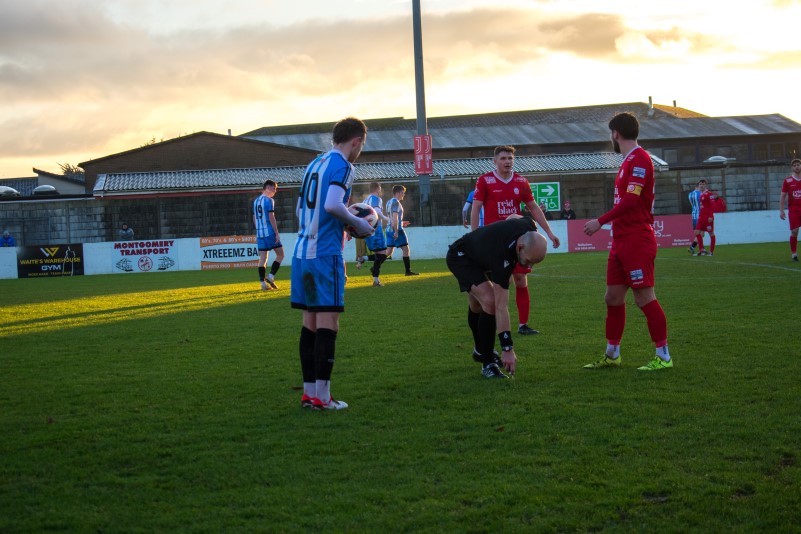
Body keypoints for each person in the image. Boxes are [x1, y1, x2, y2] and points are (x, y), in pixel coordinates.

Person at [291, 117, 374, 411]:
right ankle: (324, 398)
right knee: (328, 324)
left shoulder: (315, 164)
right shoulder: (344, 166)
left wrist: (342, 222)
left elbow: (303, 208)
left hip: (302, 253)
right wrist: (357, 225)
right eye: (361, 146)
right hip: (325, 256)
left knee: (310, 324)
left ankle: (309, 393)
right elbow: (331, 205)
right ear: (356, 141)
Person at [583, 112, 672, 371]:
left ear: (615, 133)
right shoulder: (628, 161)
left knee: (644, 298)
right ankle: (612, 354)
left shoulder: (641, 159)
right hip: (621, 240)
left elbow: (632, 201)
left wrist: (600, 221)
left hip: (636, 238)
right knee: (612, 297)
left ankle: (663, 356)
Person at [470, 145, 560, 336]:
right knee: (499, 283)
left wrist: (549, 233)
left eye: (510, 158)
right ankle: (491, 321)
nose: (507, 161)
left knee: (520, 279)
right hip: (494, 241)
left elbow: (534, 208)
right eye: (503, 158)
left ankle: (523, 325)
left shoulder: (521, 181)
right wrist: (475, 235)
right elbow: (476, 208)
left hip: (517, 240)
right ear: (495, 161)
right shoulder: (485, 180)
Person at [446, 215, 548, 379]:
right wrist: (507, 349)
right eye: (528, 261)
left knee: (476, 306)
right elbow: (501, 306)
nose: (529, 267)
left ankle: (480, 350)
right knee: (491, 302)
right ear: (520, 246)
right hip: (461, 257)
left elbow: (513, 217)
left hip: (481, 256)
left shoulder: (529, 224)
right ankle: (488, 364)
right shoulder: (503, 256)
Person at [253, 179, 284, 290]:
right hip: (269, 232)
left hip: (260, 234)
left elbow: (254, 218)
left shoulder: (256, 201)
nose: (275, 191)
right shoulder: (269, 200)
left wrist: (258, 230)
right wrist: (276, 233)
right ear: (268, 187)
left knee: (262, 258)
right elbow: (271, 217)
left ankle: (262, 284)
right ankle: (270, 276)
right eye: (274, 188)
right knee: (280, 254)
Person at [385, 185, 419, 276]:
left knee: (388, 252)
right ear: (399, 192)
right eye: (403, 193)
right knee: (405, 249)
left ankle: (375, 266)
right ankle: (408, 271)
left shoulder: (388, 202)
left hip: (388, 229)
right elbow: (395, 218)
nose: (404, 195)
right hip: (397, 230)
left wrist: (402, 222)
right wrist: (396, 231)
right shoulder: (396, 202)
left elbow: (391, 217)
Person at [361, 182, 390, 285]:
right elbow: (376, 211)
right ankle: (375, 278)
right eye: (380, 188)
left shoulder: (365, 200)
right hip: (375, 230)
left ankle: (375, 279)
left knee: (380, 254)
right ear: (377, 188)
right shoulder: (376, 198)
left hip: (367, 230)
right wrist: (386, 218)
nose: (380, 190)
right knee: (383, 254)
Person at [779, 158, 801, 262]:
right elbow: (783, 196)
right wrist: (781, 210)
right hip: (794, 209)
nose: (797, 166)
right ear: (792, 168)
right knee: (794, 231)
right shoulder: (787, 181)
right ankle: (794, 254)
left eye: (798, 164)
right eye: (795, 165)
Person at [693, 180, 717, 256]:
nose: (701, 185)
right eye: (700, 184)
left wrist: (711, 216)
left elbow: (713, 205)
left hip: (707, 217)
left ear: (706, 185)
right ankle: (702, 250)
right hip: (701, 217)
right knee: (696, 232)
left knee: (711, 233)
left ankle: (711, 252)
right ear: (698, 185)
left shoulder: (709, 194)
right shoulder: (701, 194)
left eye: (703, 184)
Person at [687, 180, 703, 254]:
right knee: (701, 234)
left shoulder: (690, 194)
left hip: (693, 215)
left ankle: (699, 248)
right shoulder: (700, 194)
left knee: (698, 233)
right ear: (698, 186)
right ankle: (693, 247)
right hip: (700, 215)